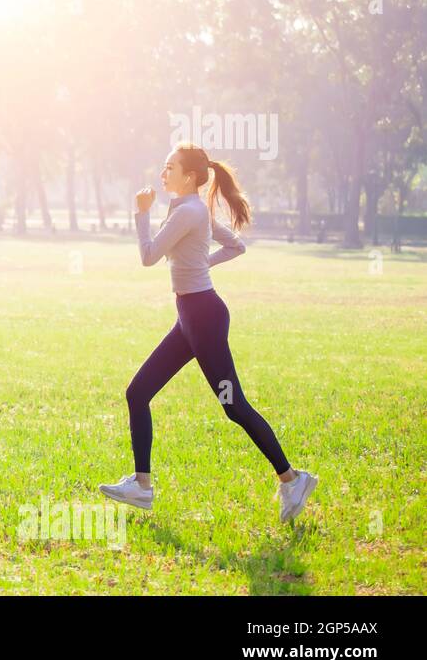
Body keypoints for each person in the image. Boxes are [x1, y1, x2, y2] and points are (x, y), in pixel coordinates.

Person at [99, 142, 317, 522]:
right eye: (164, 166)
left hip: (203, 319)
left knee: (234, 406)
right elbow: (236, 245)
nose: (163, 173)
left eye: (170, 167)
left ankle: (292, 479)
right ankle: (142, 486)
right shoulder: (188, 210)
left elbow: (149, 256)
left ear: (189, 176)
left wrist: (140, 214)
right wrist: (204, 262)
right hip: (191, 317)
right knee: (138, 392)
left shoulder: (190, 211)